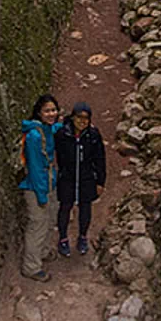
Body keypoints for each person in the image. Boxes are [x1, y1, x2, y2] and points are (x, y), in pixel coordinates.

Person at [54, 102, 107, 257]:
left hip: (87, 178)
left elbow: (100, 159)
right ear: (72, 117)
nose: (82, 121)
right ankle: (63, 238)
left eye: (86, 118)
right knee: (65, 207)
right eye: (79, 117)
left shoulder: (93, 135)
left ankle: (83, 237)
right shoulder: (63, 135)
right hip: (67, 178)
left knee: (85, 208)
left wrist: (100, 182)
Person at [18, 94, 60, 279]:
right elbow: (34, 167)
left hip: (48, 182)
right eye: (47, 111)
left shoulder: (47, 129)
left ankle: (42, 252)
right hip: (36, 187)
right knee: (37, 225)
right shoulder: (35, 136)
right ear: (38, 113)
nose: (51, 114)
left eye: (53, 110)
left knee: (49, 219)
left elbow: (56, 128)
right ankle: (31, 267)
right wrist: (41, 194)